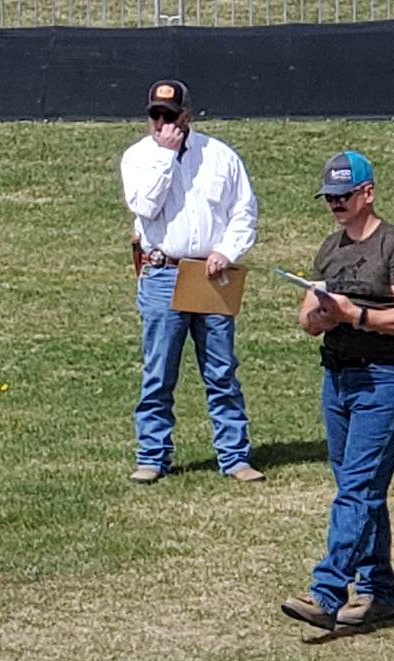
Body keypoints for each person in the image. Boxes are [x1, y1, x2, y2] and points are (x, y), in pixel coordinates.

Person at [281, 152, 394, 632]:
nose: (335, 204)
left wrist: (355, 315)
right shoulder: (331, 248)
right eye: (329, 198)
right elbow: (307, 318)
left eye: (343, 196)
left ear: (368, 193)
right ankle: (379, 591)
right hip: (338, 378)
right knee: (362, 490)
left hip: (382, 380)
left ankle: (327, 592)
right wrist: (318, 317)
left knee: (358, 489)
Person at [120, 79, 264, 485]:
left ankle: (234, 456)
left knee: (221, 371)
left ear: (187, 115)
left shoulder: (220, 155)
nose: (162, 123)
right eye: (155, 115)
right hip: (163, 272)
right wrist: (165, 157)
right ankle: (152, 456)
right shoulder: (138, 157)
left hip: (210, 274)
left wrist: (227, 252)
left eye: (170, 115)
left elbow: (243, 211)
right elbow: (145, 207)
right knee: (159, 371)